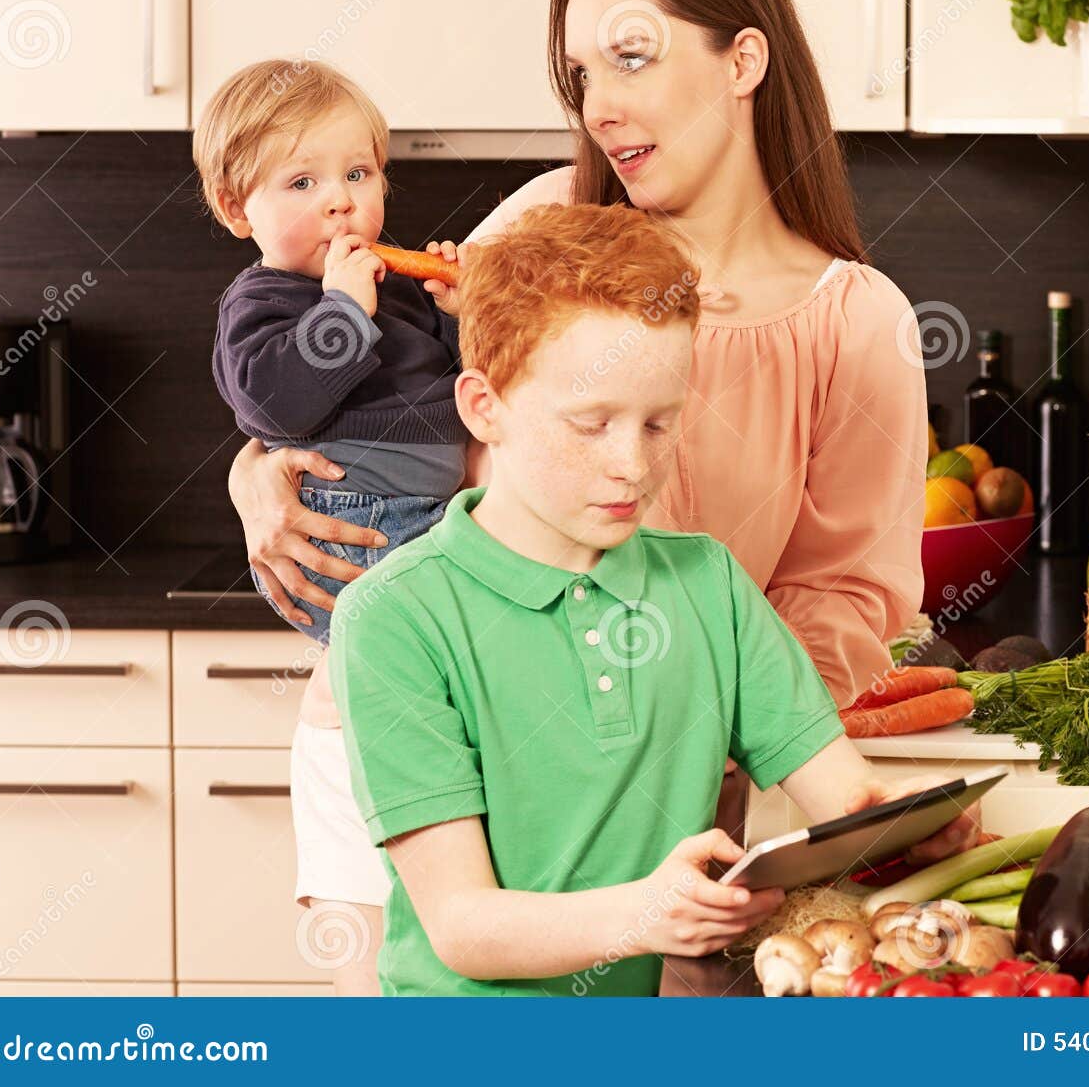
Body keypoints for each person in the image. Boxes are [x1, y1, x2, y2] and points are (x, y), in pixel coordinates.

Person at [225, 0, 932, 992]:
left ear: (742, 62)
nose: (596, 102)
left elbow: (847, 594)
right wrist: (255, 468)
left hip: (659, 784)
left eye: (629, 56)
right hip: (419, 734)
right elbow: (375, 381)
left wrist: (721, 733)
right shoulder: (542, 222)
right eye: (579, 74)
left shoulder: (853, 317)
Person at [331, 202, 972, 995]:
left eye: (661, 423)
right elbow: (463, 924)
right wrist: (641, 914)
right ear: (482, 406)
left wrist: (908, 826)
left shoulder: (706, 583)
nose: (631, 465)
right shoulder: (396, 616)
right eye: (591, 424)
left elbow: (844, 795)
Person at [195, 57, 467, 993]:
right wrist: (341, 309)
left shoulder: (391, 290)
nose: (342, 204)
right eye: (302, 183)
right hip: (359, 520)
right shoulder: (262, 302)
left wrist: (466, 318)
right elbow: (278, 400)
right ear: (240, 209)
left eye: (359, 174)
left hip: (428, 513)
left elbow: (461, 393)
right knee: (398, 693)